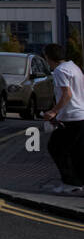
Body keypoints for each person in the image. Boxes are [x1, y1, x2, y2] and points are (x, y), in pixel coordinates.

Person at [42, 42, 84, 194]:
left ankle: (70, 182)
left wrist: (53, 112)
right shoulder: (74, 67)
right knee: (76, 152)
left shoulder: (60, 71)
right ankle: (78, 182)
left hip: (71, 117)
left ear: (48, 57)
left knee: (56, 148)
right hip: (80, 115)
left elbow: (67, 94)